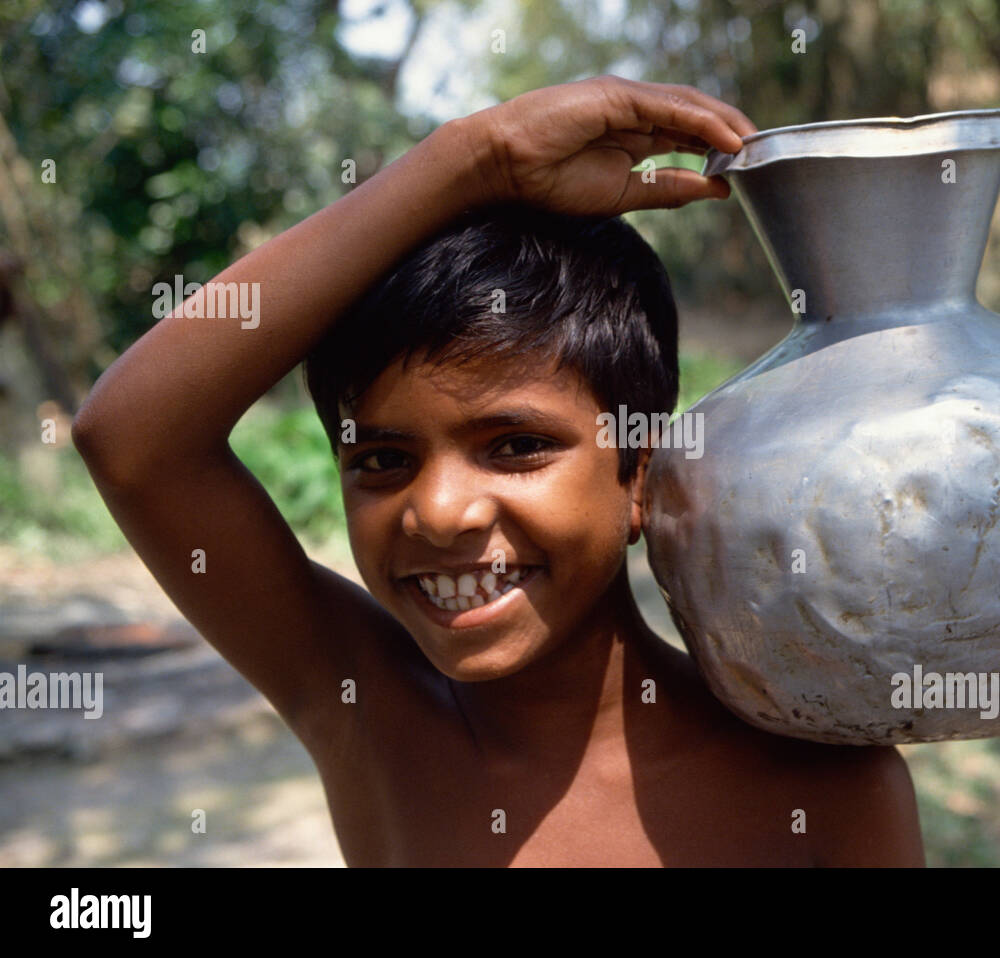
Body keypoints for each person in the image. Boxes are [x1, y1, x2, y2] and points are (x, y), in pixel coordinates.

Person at [72, 75, 925, 866]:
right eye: (382, 459)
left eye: (516, 447)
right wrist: (472, 158)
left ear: (643, 473)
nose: (439, 513)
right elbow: (132, 437)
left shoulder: (824, 787)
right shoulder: (368, 712)